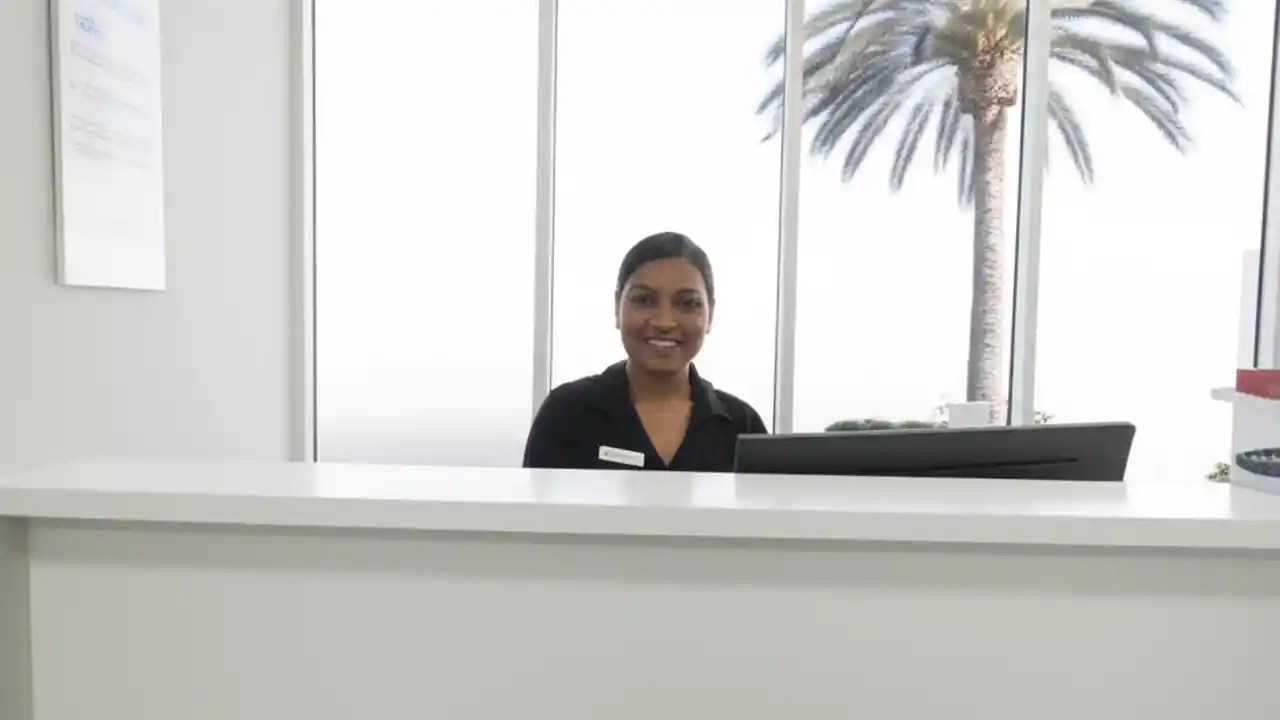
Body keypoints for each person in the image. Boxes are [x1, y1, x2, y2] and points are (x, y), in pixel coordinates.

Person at [523, 231, 768, 471]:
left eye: (687, 303)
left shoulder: (742, 426)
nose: (664, 321)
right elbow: (532, 512)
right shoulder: (566, 415)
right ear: (618, 307)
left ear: (710, 314)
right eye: (644, 300)